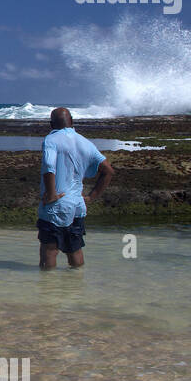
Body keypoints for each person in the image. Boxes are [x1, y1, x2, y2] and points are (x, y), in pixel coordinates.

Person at [37, 107, 114, 270]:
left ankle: (46, 291)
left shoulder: (51, 140)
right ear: (72, 121)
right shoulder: (86, 143)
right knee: (75, 250)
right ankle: (77, 289)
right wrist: (92, 197)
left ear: (51, 124)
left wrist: (51, 194)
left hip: (56, 206)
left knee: (49, 251)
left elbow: (49, 165)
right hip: (77, 205)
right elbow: (108, 171)